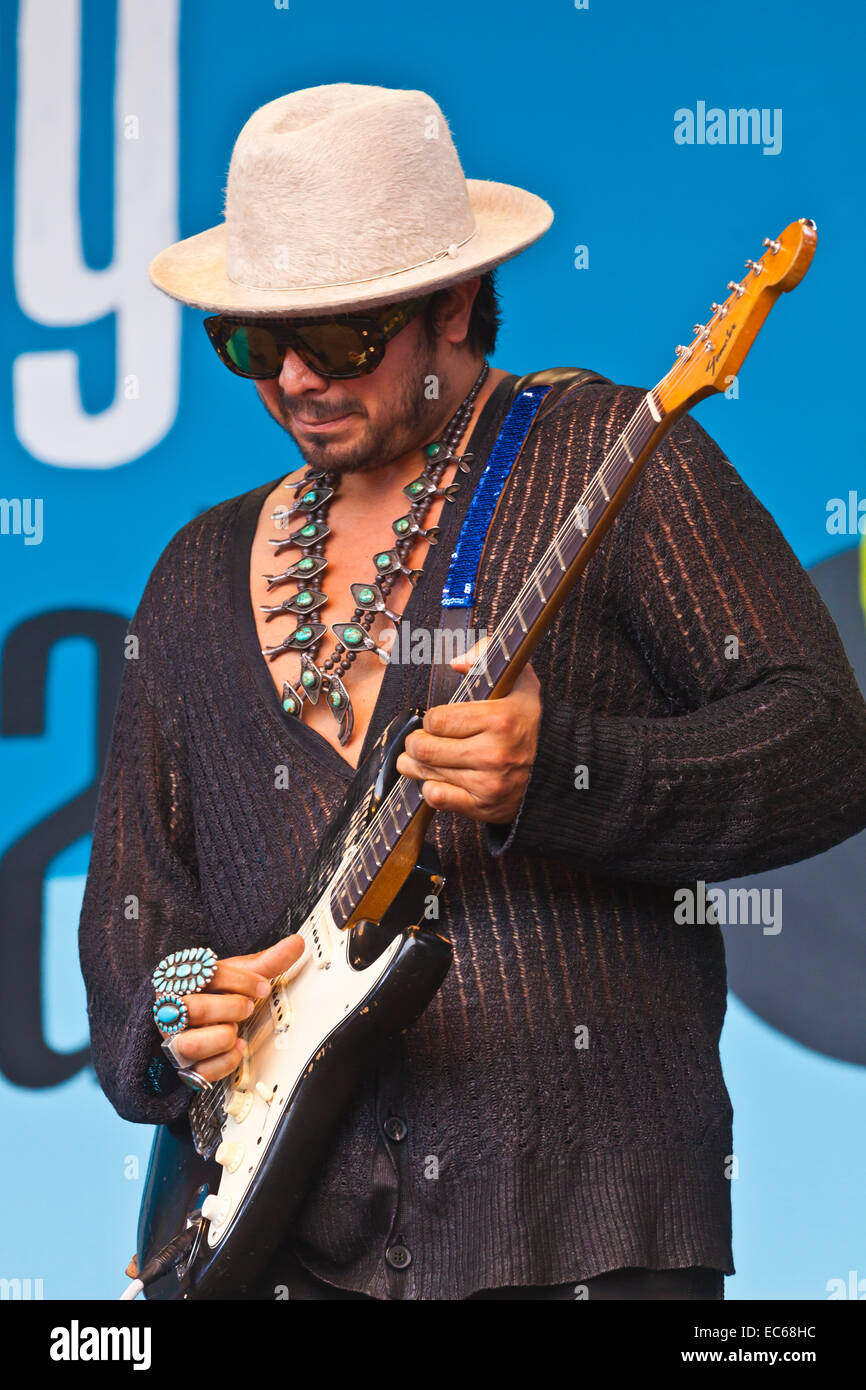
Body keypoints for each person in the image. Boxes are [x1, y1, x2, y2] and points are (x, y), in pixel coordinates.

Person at [79, 83, 866, 1301]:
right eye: (248, 340)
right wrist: (186, 1006)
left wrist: (563, 776)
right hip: (274, 1249)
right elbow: (133, 924)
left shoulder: (613, 458)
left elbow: (825, 745)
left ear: (454, 301)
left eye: (339, 336)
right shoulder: (190, 576)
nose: (292, 377)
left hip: (579, 1236)